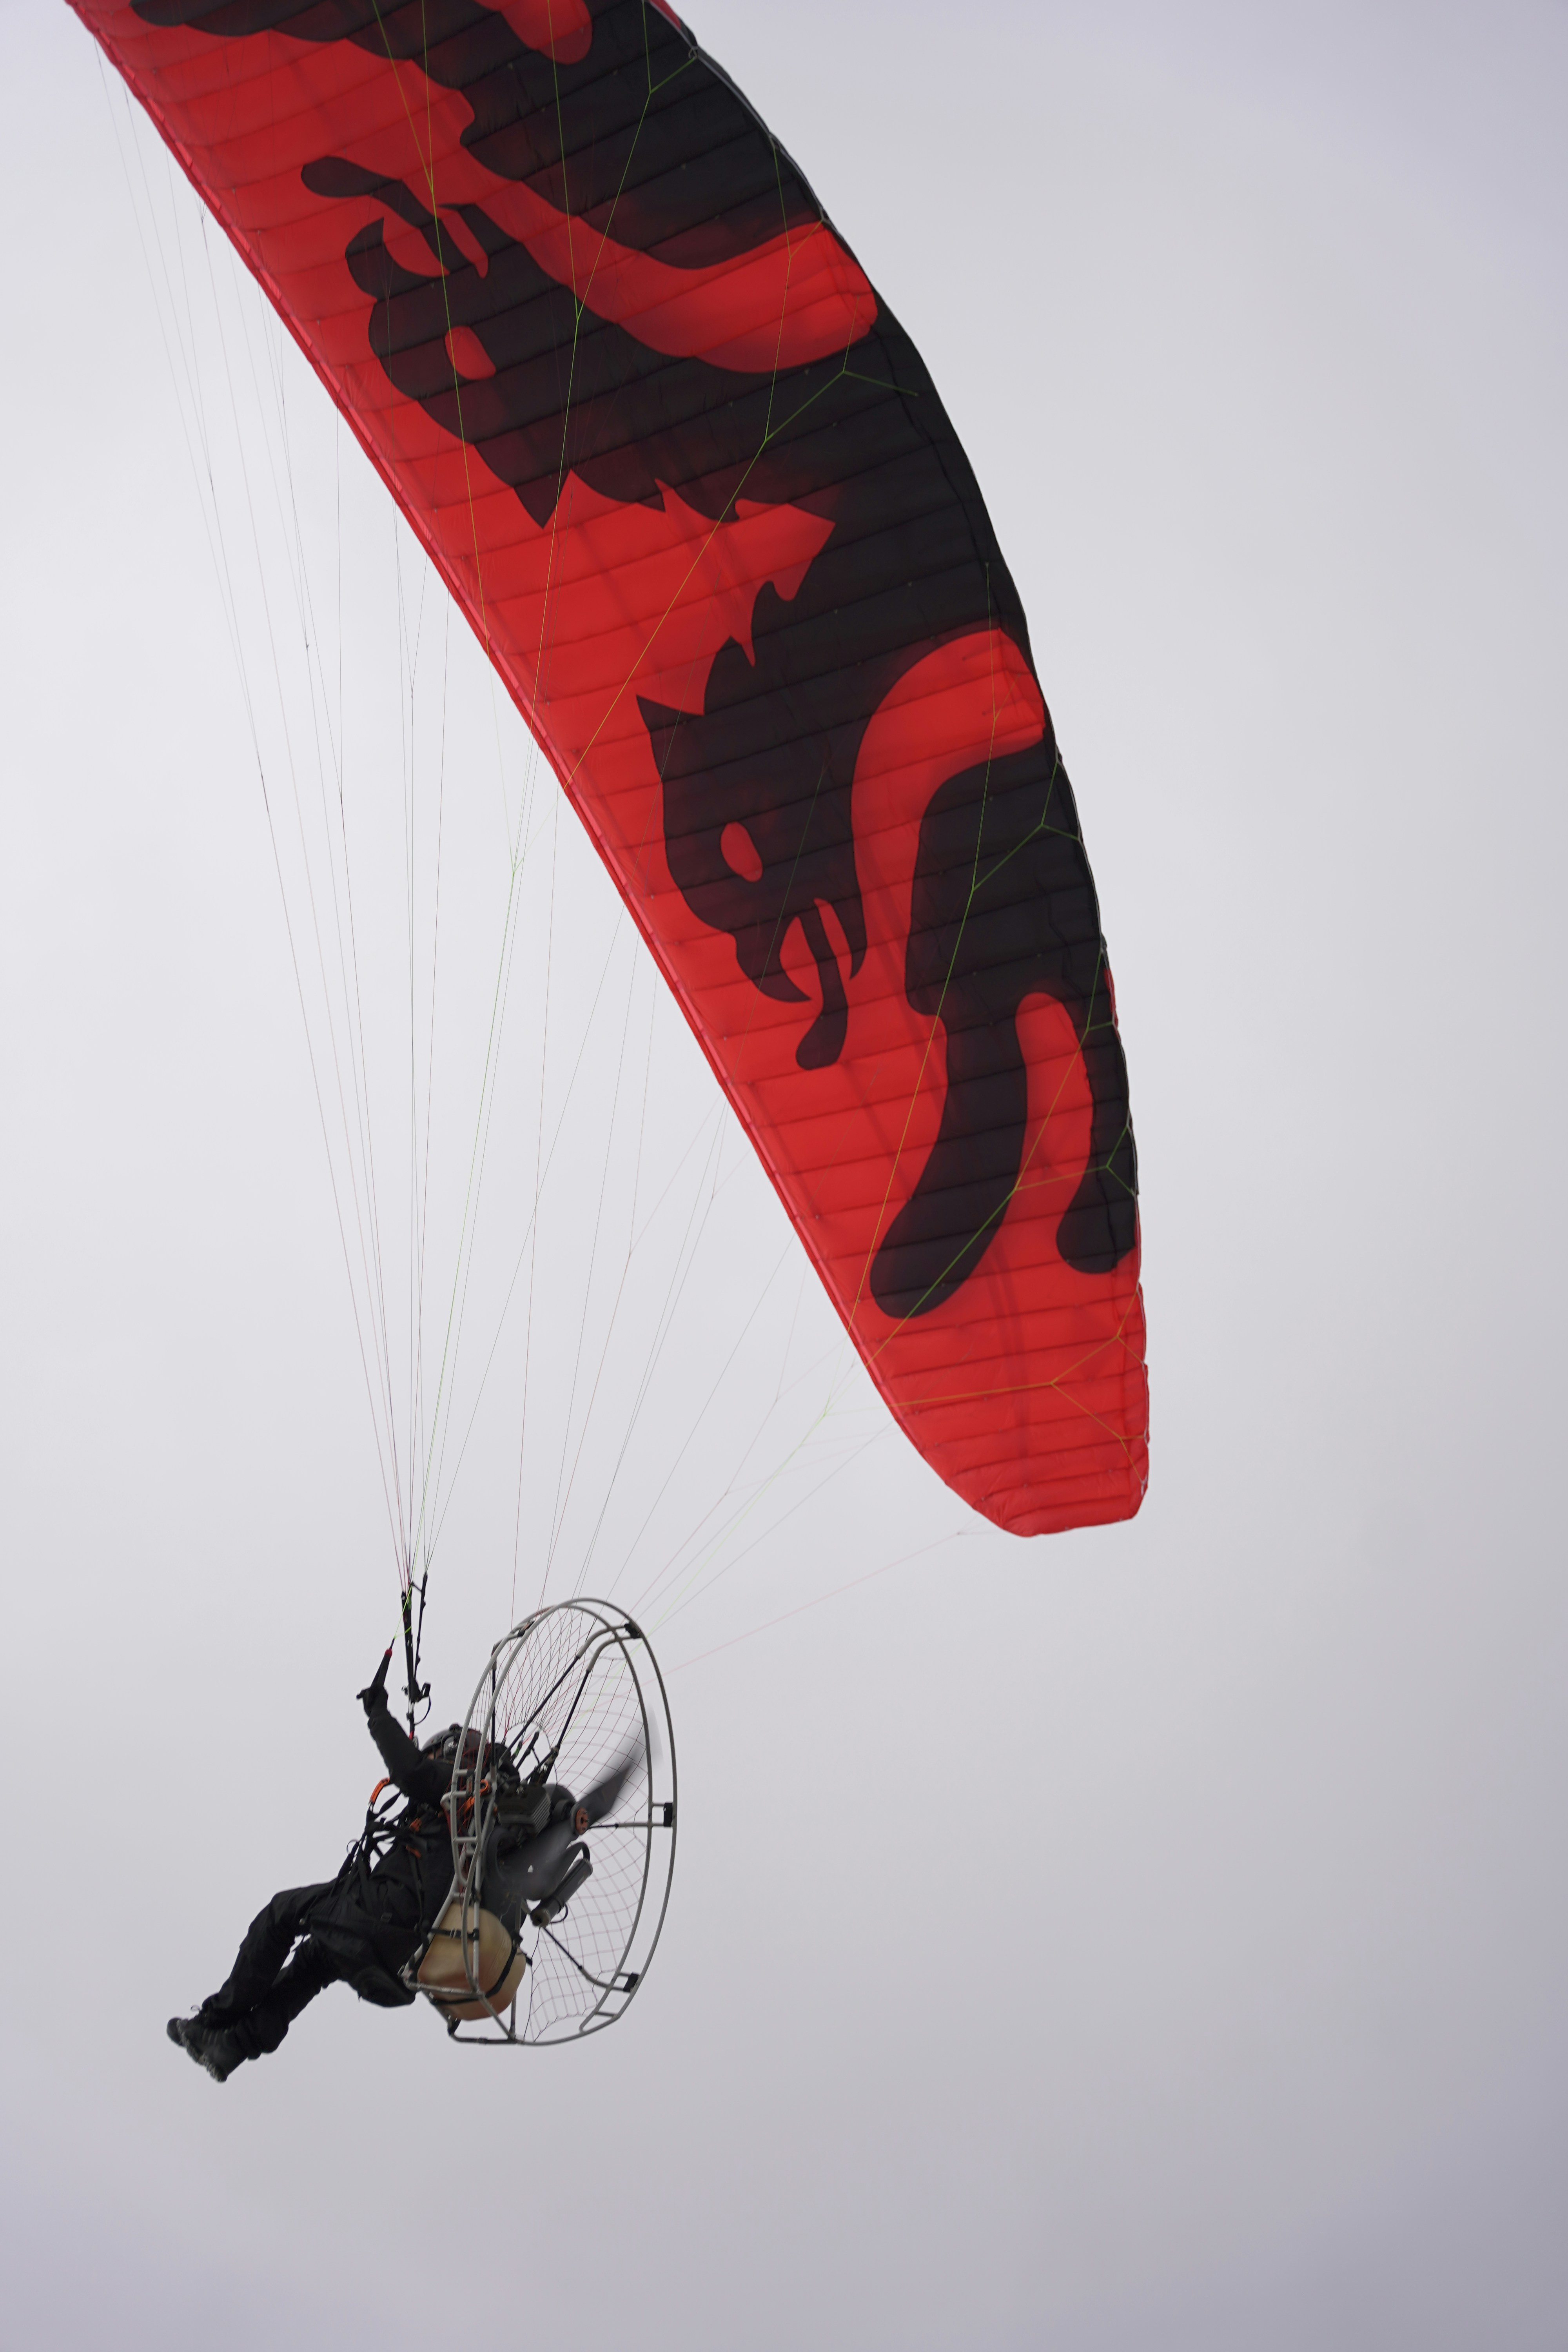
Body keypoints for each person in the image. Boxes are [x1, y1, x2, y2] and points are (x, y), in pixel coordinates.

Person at [167, 1650, 458, 2083]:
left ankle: (212, 2021)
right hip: (397, 1965)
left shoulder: (462, 1792)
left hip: (377, 1918)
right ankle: (228, 2049)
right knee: (312, 1963)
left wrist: (378, 1714)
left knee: (281, 1914)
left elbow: (411, 1772)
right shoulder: (471, 1833)